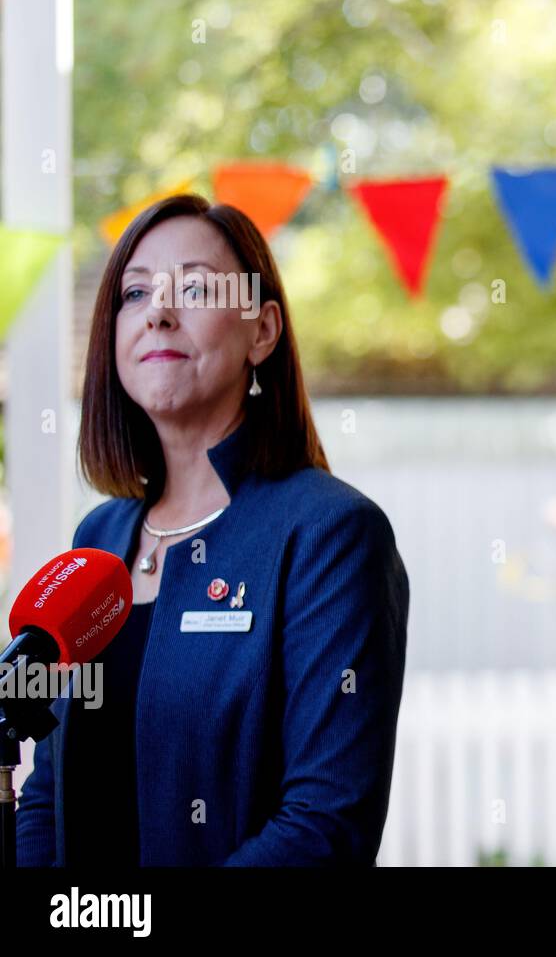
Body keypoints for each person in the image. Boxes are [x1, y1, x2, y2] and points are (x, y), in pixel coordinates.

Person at [16, 194, 409, 866]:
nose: (158, 312)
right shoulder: (97, 540)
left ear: (262, 331)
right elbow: (48, 798)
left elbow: (324, 824)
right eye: (135, 293)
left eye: (195, 287)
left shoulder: (330, 535)